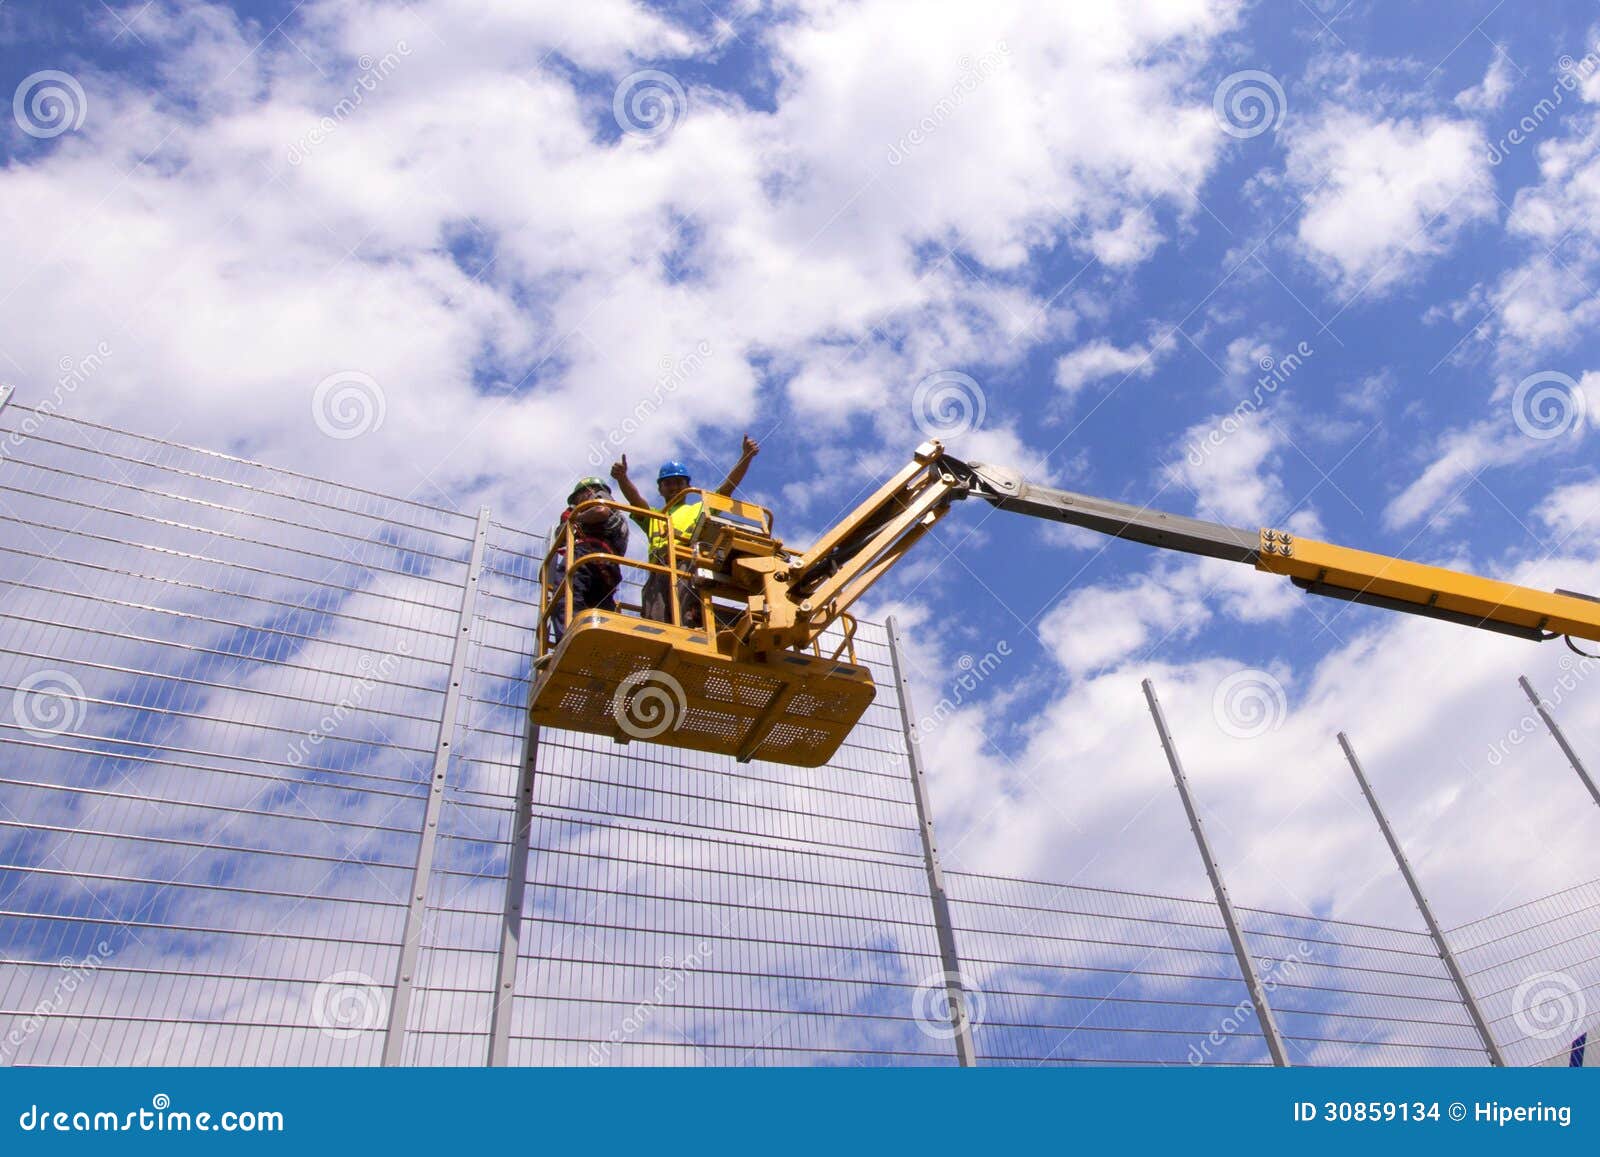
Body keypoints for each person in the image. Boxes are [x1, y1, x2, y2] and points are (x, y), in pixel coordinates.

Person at [611, 436, 759, 627]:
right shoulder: (655, 516)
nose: (674, 487)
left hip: (686, 568)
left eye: (679, 482)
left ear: (688, 486)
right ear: (660, 489)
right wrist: (623, 478)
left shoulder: (698, 508)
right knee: (655, 623)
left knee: (686, 619)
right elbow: (635, 500)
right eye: (668, 483)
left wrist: (746, 457)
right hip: (658, 572)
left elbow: (726, 489)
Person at [543, 476, 629, 640]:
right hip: (608, 567)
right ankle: (602, 646)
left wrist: (575, 518)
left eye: (579, 497)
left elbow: (600, 511)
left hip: (586, 555)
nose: (577, 503)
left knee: (565, 596)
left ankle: (569, 639)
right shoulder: (616, 515)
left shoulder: (599, 498)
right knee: (598, 608)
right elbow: (560, 534)